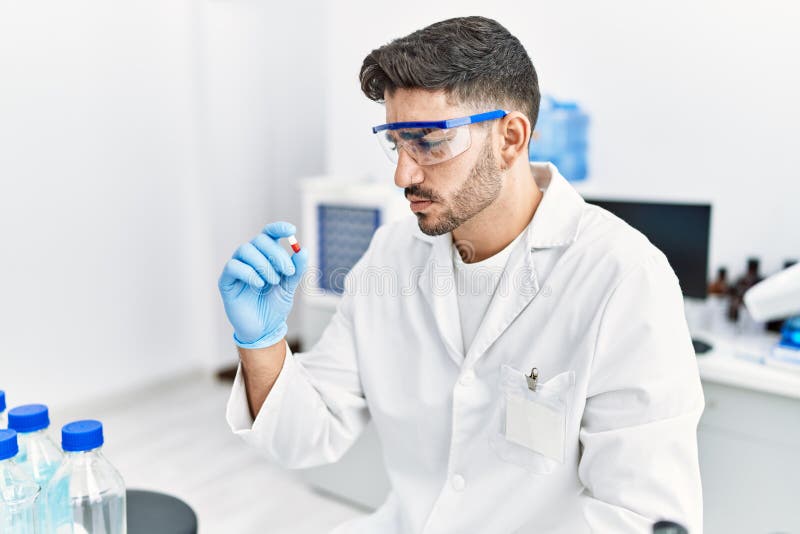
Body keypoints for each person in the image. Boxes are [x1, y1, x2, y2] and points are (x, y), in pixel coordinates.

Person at [219, 16, 704, 534]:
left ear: (510, 138)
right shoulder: (391, 254)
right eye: (397, 144)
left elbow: (639, 514)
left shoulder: (622, 277)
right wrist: (263, 343)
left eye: (429, 142)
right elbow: (306, 434)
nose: (402, 175)